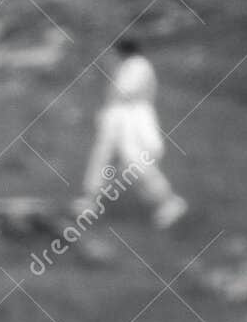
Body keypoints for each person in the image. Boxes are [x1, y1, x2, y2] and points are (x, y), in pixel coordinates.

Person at [80, 38, 187, 228]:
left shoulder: (137, 65)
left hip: (134, 121)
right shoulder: (126, 68)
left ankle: (168, 202)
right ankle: (90, 200)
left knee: (136, 161)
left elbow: (125, 92)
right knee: (103, 159)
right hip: (119, 119)